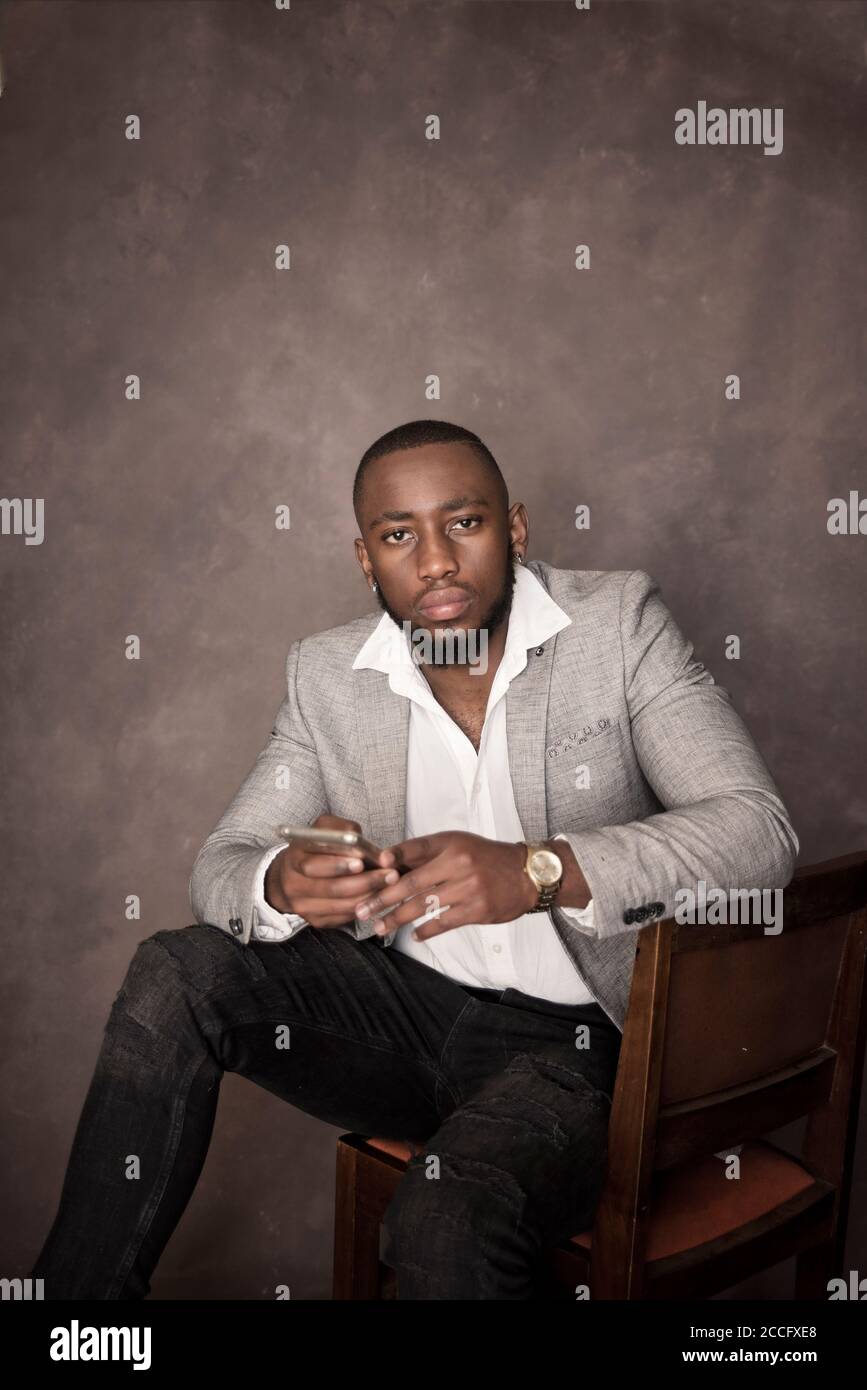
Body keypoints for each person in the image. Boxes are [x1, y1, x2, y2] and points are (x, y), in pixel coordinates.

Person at [31, 418, 798, 1299]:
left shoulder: (617, 625)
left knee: (443, 1221)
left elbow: (757, 832)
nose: (434, 561)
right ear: (366, 559)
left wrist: (539, 869)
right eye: (399, 536)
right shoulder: (328, 675)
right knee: (177, 973)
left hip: (587, 1044)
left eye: (462, 524)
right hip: (406, 1022)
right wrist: (280, 882)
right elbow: (224, 861)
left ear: (512, 530)